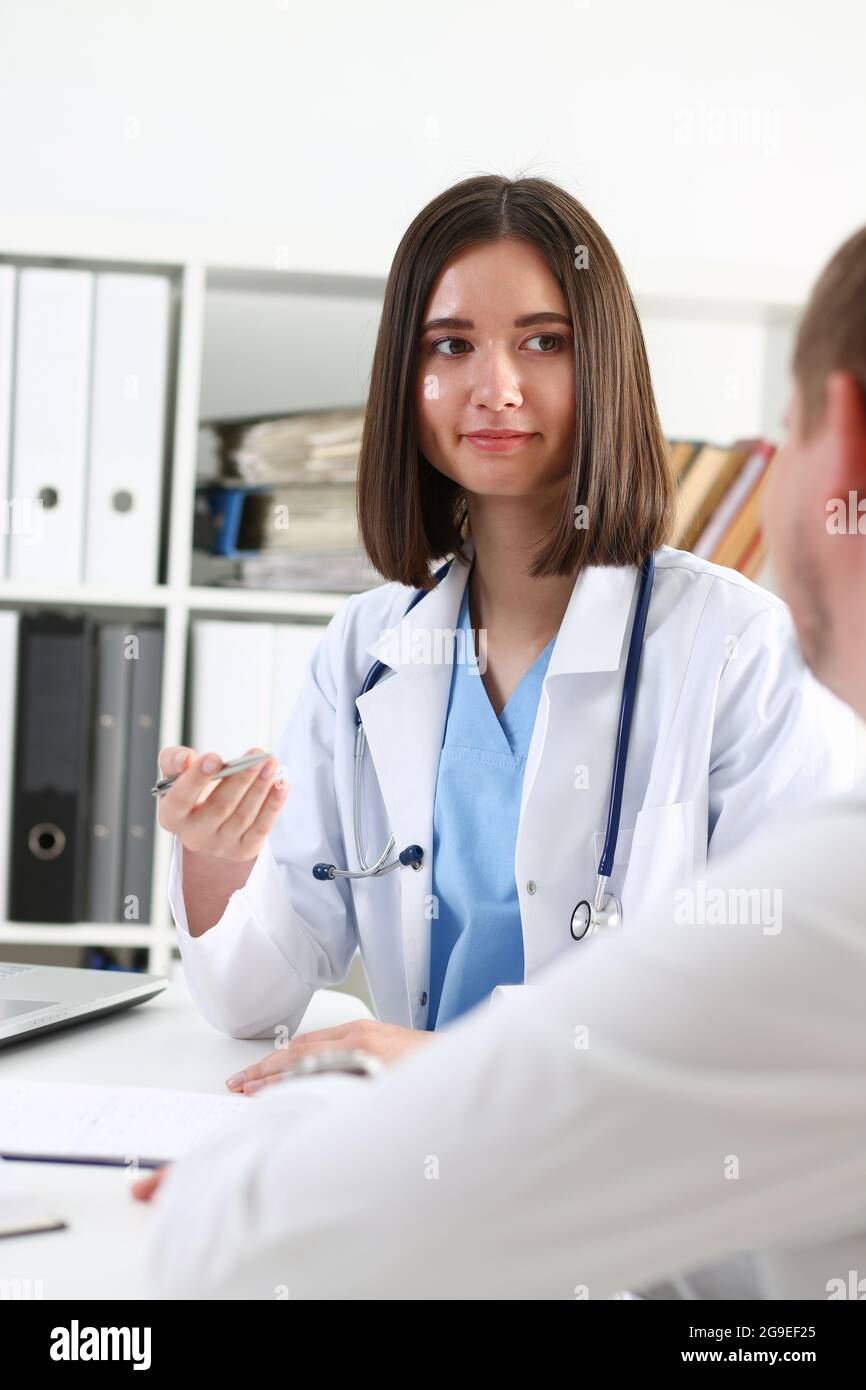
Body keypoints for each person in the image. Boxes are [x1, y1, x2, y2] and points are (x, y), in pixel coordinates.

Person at [137, 224, 866, 1301]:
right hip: (442, 1210)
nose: (492, 385)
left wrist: (379, 1091)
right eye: (447, 345)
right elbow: (256, 997)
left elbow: (771, 1045)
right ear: (405, 375)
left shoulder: (731, 645)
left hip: (631, 1238)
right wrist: (213, 862)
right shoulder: (368, 647)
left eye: (540, 341)